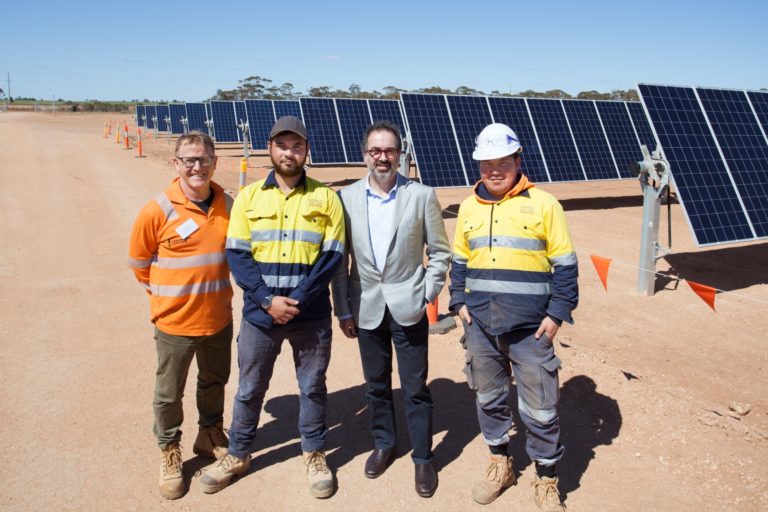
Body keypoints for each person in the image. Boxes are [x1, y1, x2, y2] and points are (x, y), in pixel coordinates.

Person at [199, 116, 345, 499]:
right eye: (283, 145)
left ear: (306, 151)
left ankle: (314, 452)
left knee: (312, 387)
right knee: (249, 388)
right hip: (259, 317)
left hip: (308, 316)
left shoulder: (327, 198)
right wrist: (267, 300)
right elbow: (238, 254)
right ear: (270, 148)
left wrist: (295, 302)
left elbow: (332, 257)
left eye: (297, 146)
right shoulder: (248, 197)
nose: (289, 153)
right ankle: (238, 453)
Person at [449, 123, 578, 510]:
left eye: (502, 161)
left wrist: (556, 315)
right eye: (486, 163)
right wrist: (458, 302)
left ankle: (546, 478)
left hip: (530, 328)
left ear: (517, 161)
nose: (494, 170)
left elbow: (566, 266)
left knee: (540, 406)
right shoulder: (468, 207)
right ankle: (500, 461)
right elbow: (459, 261)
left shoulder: (544, 204)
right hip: (480, 325)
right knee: (488, 396)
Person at [331, 121, 450, 498]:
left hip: (409, 306)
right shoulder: (345, 198)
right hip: (365, 306)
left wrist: (426, 294)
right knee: (377, 385)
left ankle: (423, 458)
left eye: (390, 151)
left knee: (415, 387)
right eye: (375, 151)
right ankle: (384, 444)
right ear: (365, 153)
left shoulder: (421, 195)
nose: (383, 157)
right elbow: (339, 261)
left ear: (401, 154)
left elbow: (440, 253)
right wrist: (342, 310)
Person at [128, 131, 234, 500]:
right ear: (176, 164)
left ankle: (210, 434)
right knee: (169, 393)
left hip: (219, 318)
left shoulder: (228, 204)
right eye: (188, 159)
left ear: (215, 163)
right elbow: (139, 263)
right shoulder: (157, 210)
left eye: (204, 159)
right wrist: (168, 297)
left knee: (214, 381)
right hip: (175, 323)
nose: (196, 166)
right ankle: (170, 449)